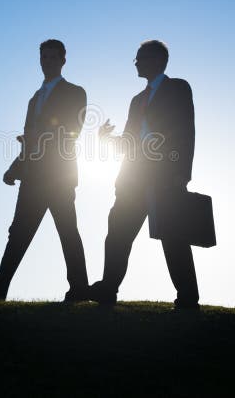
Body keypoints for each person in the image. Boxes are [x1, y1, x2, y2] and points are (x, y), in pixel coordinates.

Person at [0, 39, 90, 302]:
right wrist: (14, 168)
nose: (47, 62)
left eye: (53, 57)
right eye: (44, 57)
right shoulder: (34, 99)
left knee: (67, 231)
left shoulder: (75, 92)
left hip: (59, 175)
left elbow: (72, 130)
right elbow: (28, 140)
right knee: (18, 232)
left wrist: (39, 137)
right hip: (32, 176)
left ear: (63, 61)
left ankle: (79, 288)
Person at [89, 40, 200, 310]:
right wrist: (107, 139)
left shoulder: (178, 88)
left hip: (165, 176)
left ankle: (188, 299)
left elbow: (187, 131)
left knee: (173, 237)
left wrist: (182, 174)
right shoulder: (136, 100)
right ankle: (108, 289)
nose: (136, 62)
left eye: (140, 57)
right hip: (132, 177)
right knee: (118, 233)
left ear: (157, 60)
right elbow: (130, 141)